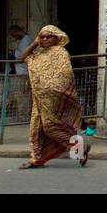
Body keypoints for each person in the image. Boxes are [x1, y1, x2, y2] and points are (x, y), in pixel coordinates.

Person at [19, 25, 88, 168]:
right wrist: (35, 43)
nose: (45, 39)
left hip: (53, 99)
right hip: (38, 99)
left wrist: (52, 90)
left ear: (56, 38)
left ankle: (80, 147)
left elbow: (65, 75)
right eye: (42, 36)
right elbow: (23, 56)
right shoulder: (37, 55)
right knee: (36, 130)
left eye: (48, 36)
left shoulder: (60, 52)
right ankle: (37, 159)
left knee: (50, 127)